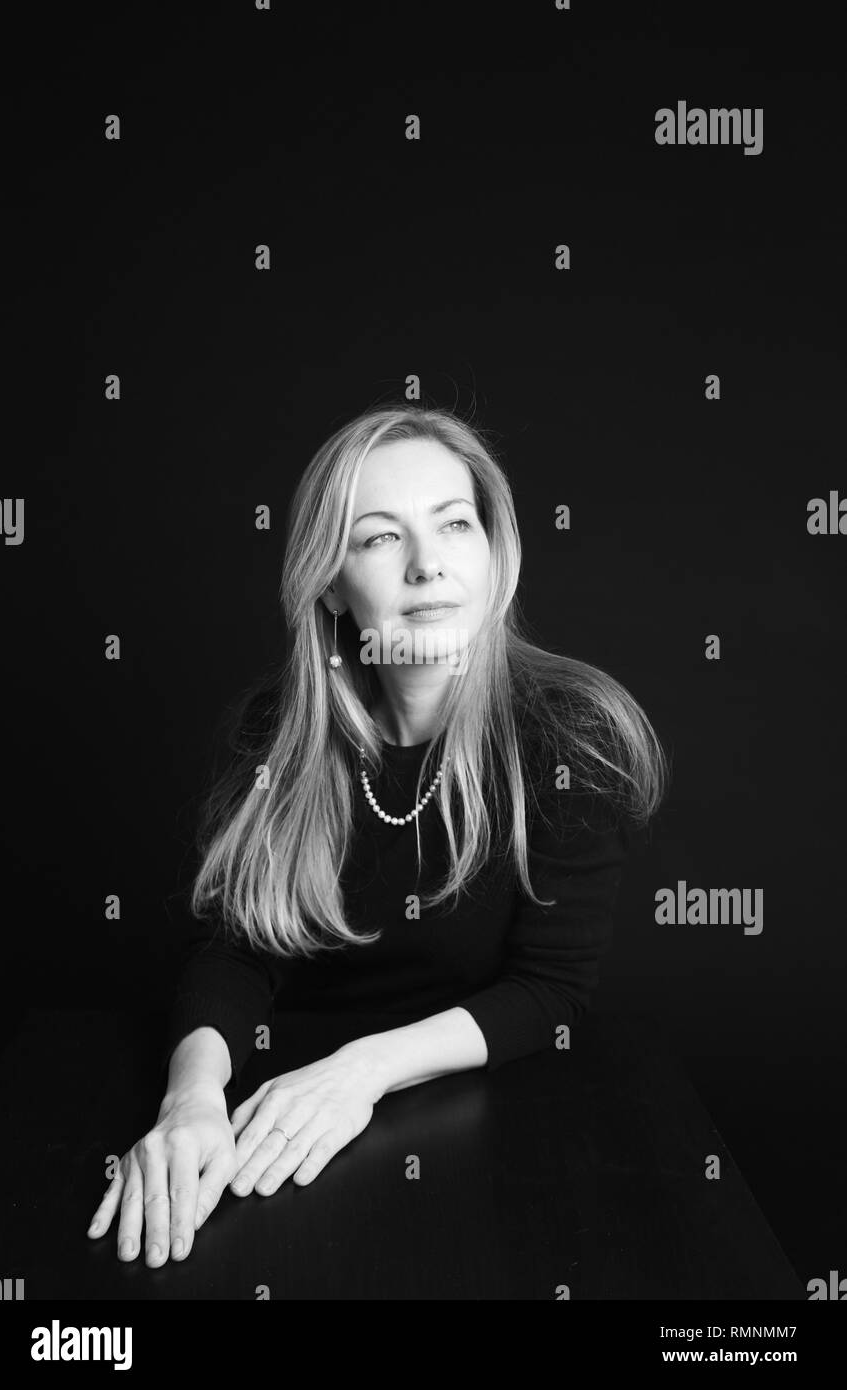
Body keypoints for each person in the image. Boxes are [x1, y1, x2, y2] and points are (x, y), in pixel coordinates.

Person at [86, 403, 667, 1268]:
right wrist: (193, 1101)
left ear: (495, 553)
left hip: (488, 1123)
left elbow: (550, 991)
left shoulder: (571, 736)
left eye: (455, 525)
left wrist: (362, 1070)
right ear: (329, 583)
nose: (430, 566)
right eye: (380, 538)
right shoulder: (273, 731)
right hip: (295, 1121)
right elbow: (240, 950)